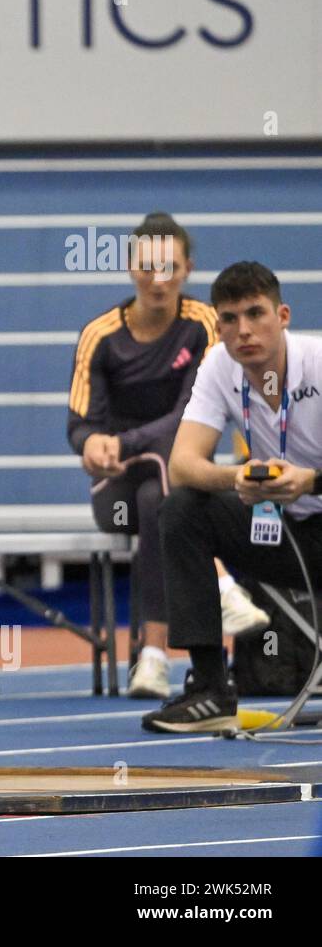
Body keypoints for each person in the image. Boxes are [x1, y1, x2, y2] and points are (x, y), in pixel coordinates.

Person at [68, 213, 267, 697]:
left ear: (187, 269)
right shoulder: (101, 336)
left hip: (174, 482)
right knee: (162, 489)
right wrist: (92, 444)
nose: (158, 278)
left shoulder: (203, 325)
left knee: (160, 498)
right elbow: (79, 423)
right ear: (131, 268)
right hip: (112, 488)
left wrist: (126, 440)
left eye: (169, 267)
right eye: (147, 266)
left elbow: (187, 415)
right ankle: (222, 588)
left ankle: (152, 659)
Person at [144, 261, 322, 732]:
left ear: (282, 316)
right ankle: (209, 689)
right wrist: (238, 478)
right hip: (279, 529)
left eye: (255, 313)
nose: (243, 330)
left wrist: (310, 481)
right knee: (182, 507)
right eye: (229, 318)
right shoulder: (220, 366)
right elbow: (184, 464)